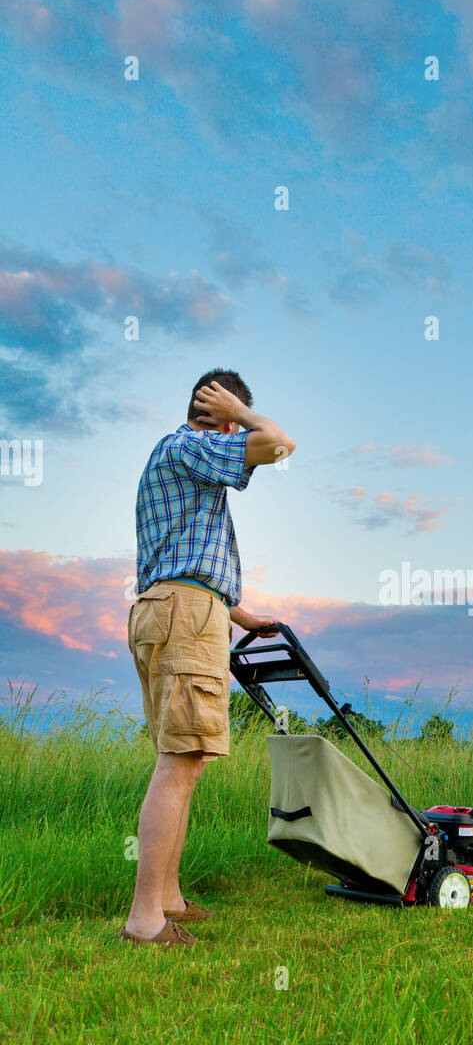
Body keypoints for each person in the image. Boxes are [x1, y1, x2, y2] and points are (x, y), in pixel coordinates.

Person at [120, 369, 294, 947]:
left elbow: (187, 551)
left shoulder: (181, 458)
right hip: (184, 614)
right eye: (233, 419)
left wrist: (240, 615)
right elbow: (279, 444)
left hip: (177, 609)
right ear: (221, 418)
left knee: (183, 759)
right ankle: (146, 920)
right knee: (181, 759)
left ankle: (167, 898)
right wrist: (244, 418)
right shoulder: (192, 445)